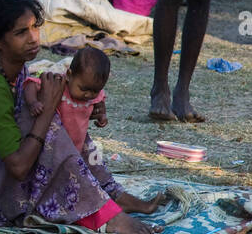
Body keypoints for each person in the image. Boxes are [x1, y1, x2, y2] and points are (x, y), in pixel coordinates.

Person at [0, 0, 157, 234]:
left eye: (34, 27)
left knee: (56, 116)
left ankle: (110, 194)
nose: (33, 38)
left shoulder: (15, 72)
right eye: (20, 32)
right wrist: (48, 109)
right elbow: (18, 167)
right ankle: (100, 212)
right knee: (49, 122)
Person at [23, 47, 163, 216]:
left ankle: (118, 196)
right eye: (83, 89)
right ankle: (99, 203)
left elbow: (99, 101)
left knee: (98, 168)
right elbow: (31, 83)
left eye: (94, 90)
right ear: (69, 75)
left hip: (81, 145)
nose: (88, 95)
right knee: (76, 178)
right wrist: (32, 103)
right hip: (56, 148)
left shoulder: (91, 91)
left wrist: (101, 114)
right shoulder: (59, 85)